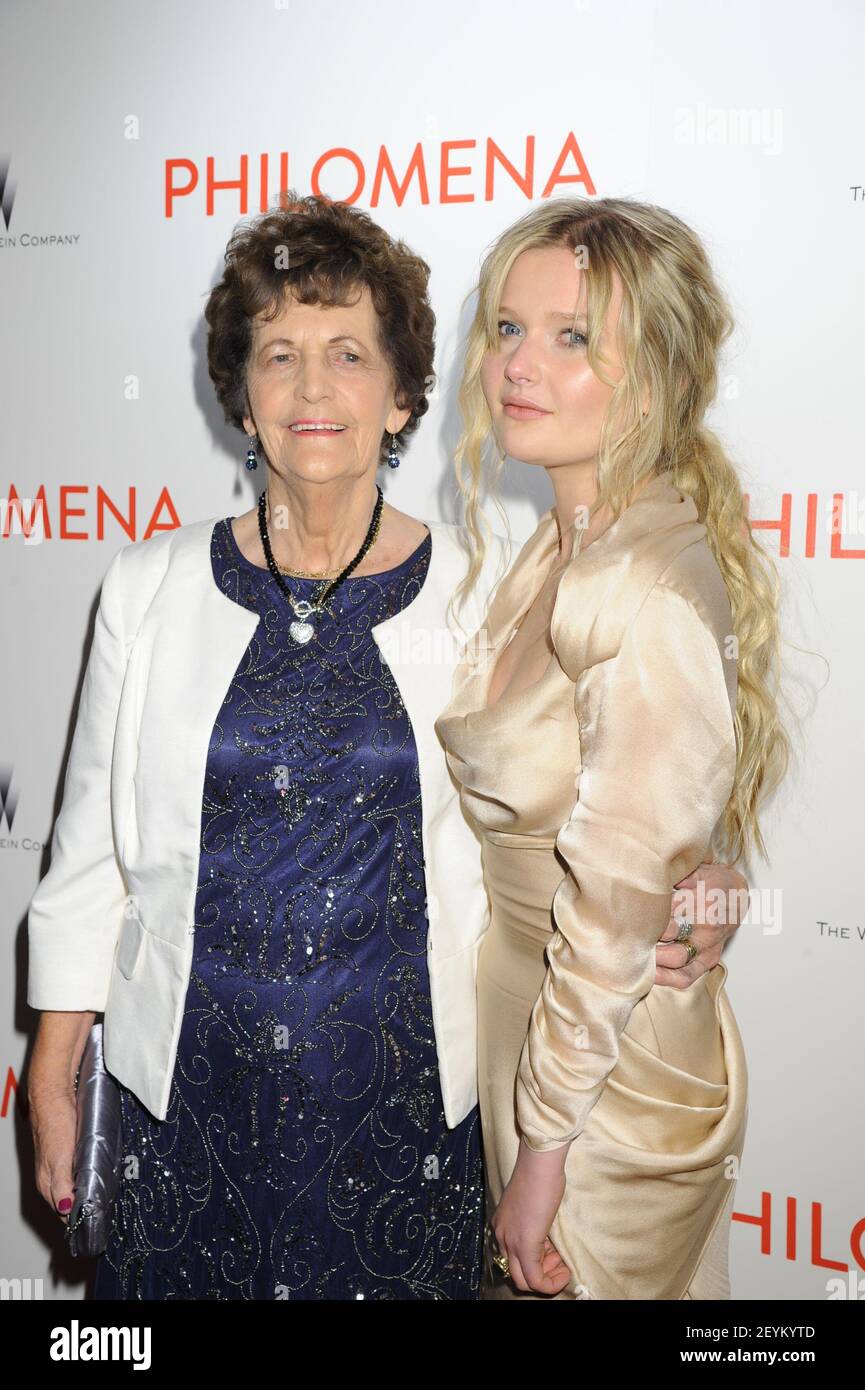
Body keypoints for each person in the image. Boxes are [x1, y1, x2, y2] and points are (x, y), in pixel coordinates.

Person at [26, 193, 748, 1301]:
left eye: (349, 354)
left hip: (406, 1118)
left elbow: (595, 790)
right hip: (184, 1099)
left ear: (404, 390)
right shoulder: (147, 589)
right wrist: (52, 1063)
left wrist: (700, 881)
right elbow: (88, 863)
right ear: (241, 391)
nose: (312, 389)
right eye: (279, 354)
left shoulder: (481, 590)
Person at [435, 196, 788, 1300]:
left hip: (601, 1081)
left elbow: (613, 900)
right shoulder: (567, 540)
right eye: (506, 328)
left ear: (658, 370)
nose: (518, 365)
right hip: (535, 1032)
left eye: (572, 335)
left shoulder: (639, 582)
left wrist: (545, 1151)